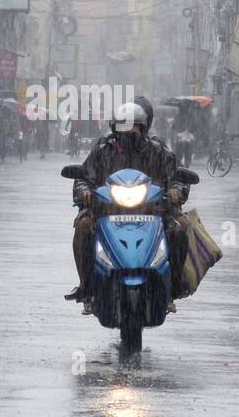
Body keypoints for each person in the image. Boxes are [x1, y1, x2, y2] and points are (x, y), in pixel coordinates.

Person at [68, 95, 190, 313]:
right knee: (83, 227)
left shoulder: (158, 151)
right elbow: (84, 177)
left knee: (181, 228)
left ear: (143, 130)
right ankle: (86, 286)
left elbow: (177, 177)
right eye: (123, 130)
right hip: (106, 209)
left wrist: (175, 191)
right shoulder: (103, 150)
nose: (128, 135)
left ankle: (174, 286)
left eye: (134, 130)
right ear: (115, 130)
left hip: (152, 209)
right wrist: (85, 192)